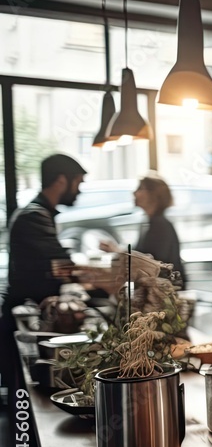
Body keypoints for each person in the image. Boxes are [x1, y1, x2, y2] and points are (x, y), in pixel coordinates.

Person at [1, 154, 86, 394]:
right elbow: (63, 266)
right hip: (20, 319)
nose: (78, 191)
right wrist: (98, 279)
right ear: (61, 181)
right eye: (77, 183)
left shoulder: (37, 213)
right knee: (25, 404)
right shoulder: (34, 217)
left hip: (24, 315)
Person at [101, 174, 186, 288]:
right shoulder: (150, 223)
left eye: (140, 189)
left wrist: (118, 252)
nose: (134, 193)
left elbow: (151, 263)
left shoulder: (160, 225)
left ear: (154, 195)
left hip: (165, 292)